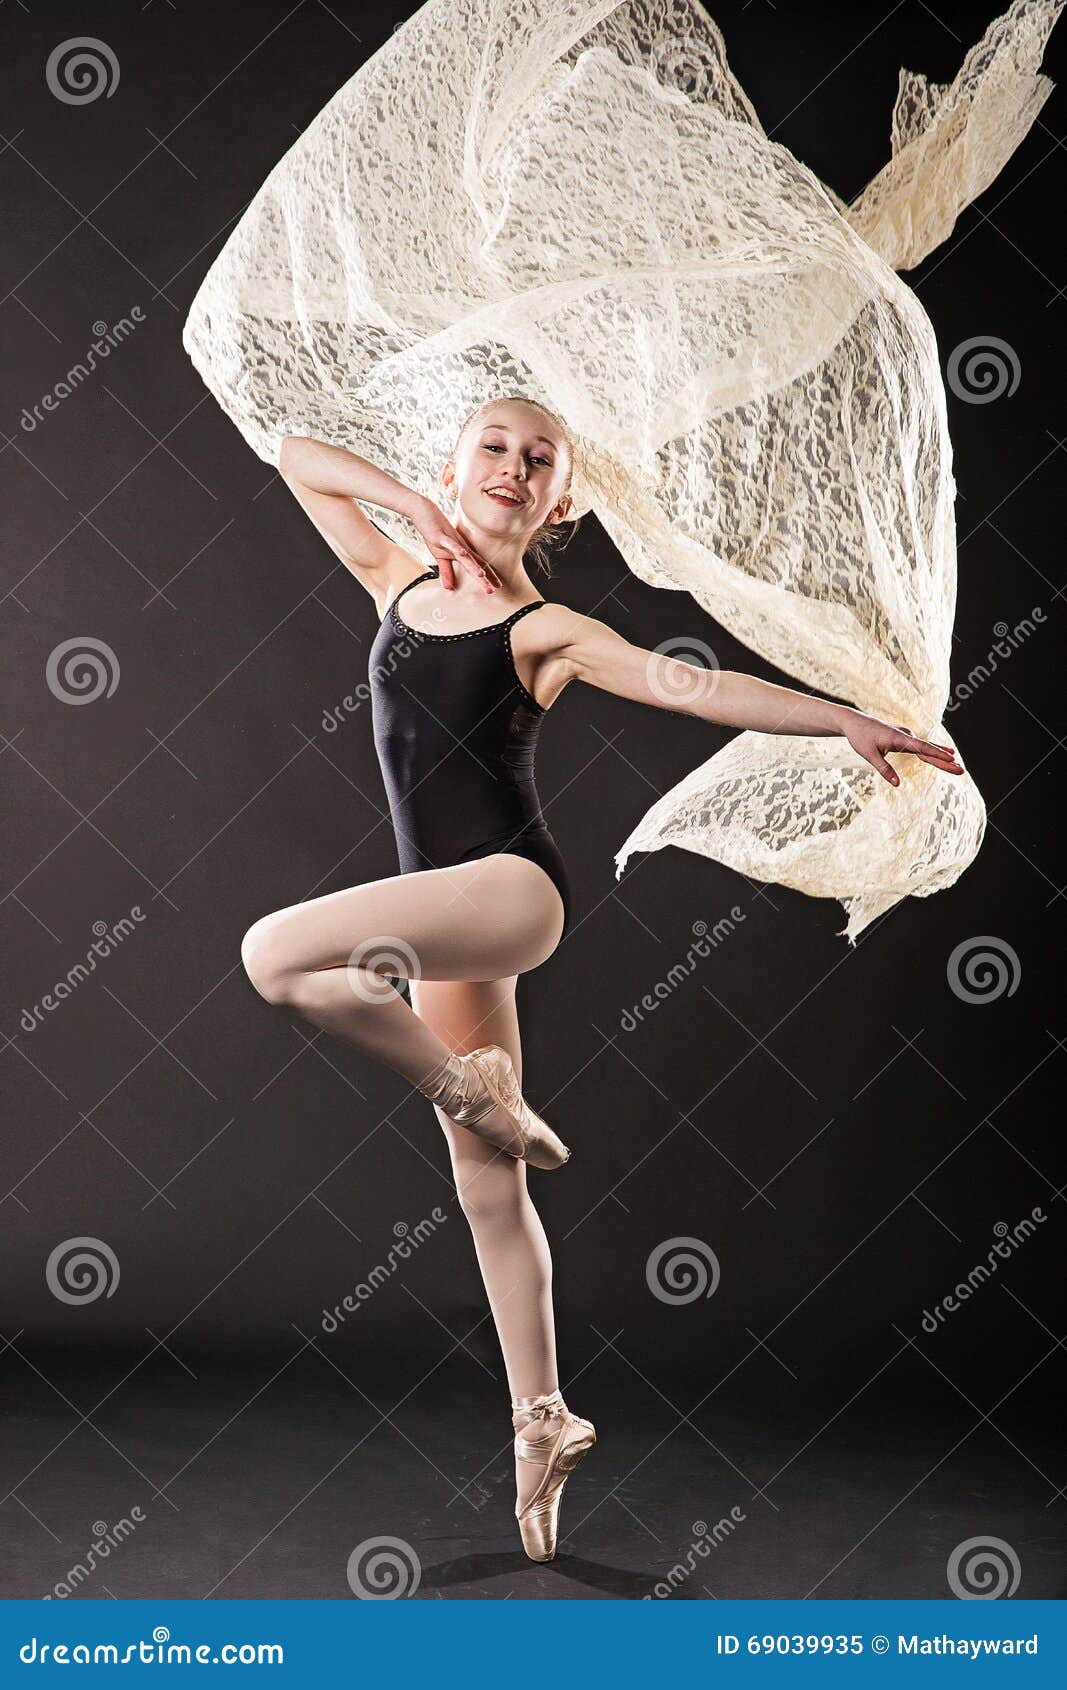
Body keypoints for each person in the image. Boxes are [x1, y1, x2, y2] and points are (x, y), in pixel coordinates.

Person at [238, 393, 963, 1560]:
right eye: (493, 448)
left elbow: (693, 687)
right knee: (486, 1190)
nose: (513, 470)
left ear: (560, 499)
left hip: (509, 893)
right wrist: (412, 502)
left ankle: (469, 1089)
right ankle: (543, 1421)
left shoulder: (543, 629)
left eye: (538, 462)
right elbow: (294, 454)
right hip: (447, 916)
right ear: (454, 458)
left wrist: (839, 721)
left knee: (273, 953)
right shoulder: (396, 582)